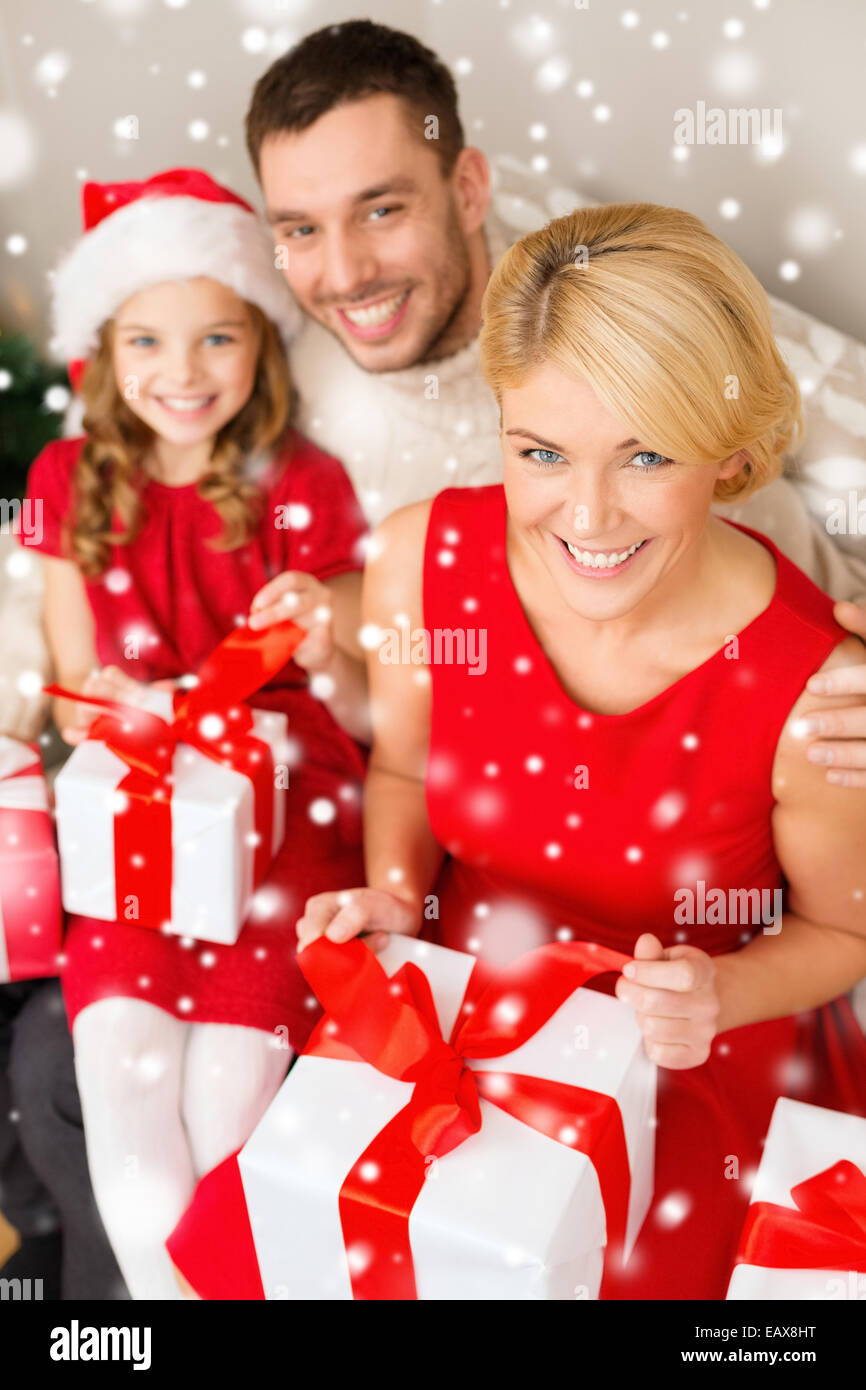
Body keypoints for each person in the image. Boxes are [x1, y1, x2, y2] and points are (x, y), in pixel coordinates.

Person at [168, 202, 866, 1301]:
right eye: (541, 451)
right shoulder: (415, 560)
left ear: (728, 455)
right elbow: (401, 767)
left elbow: (840, 932)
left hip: (693, 1046)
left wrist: (716, 995)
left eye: (644, 455)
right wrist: (394, 899)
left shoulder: (816, 688)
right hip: (459, 995)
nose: (586, 514)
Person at [251, 18, 866, 785]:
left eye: (382, 211)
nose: (344, 274)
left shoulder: (611, 296)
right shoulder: (283, 382)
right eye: (302, 228)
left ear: (470, 188)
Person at [17, 167, 371, 1299]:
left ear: (261, 344)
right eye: (147, 344)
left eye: (217, 339)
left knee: (226, 1087)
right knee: (124, 1070)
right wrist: (119, 694)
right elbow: (75, 675)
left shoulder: (301, 482)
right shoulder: (66, 479)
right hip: (139, 795)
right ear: (107, 353)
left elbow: (350, 670)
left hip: (289, 795)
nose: (182, 375)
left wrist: (318, 632)